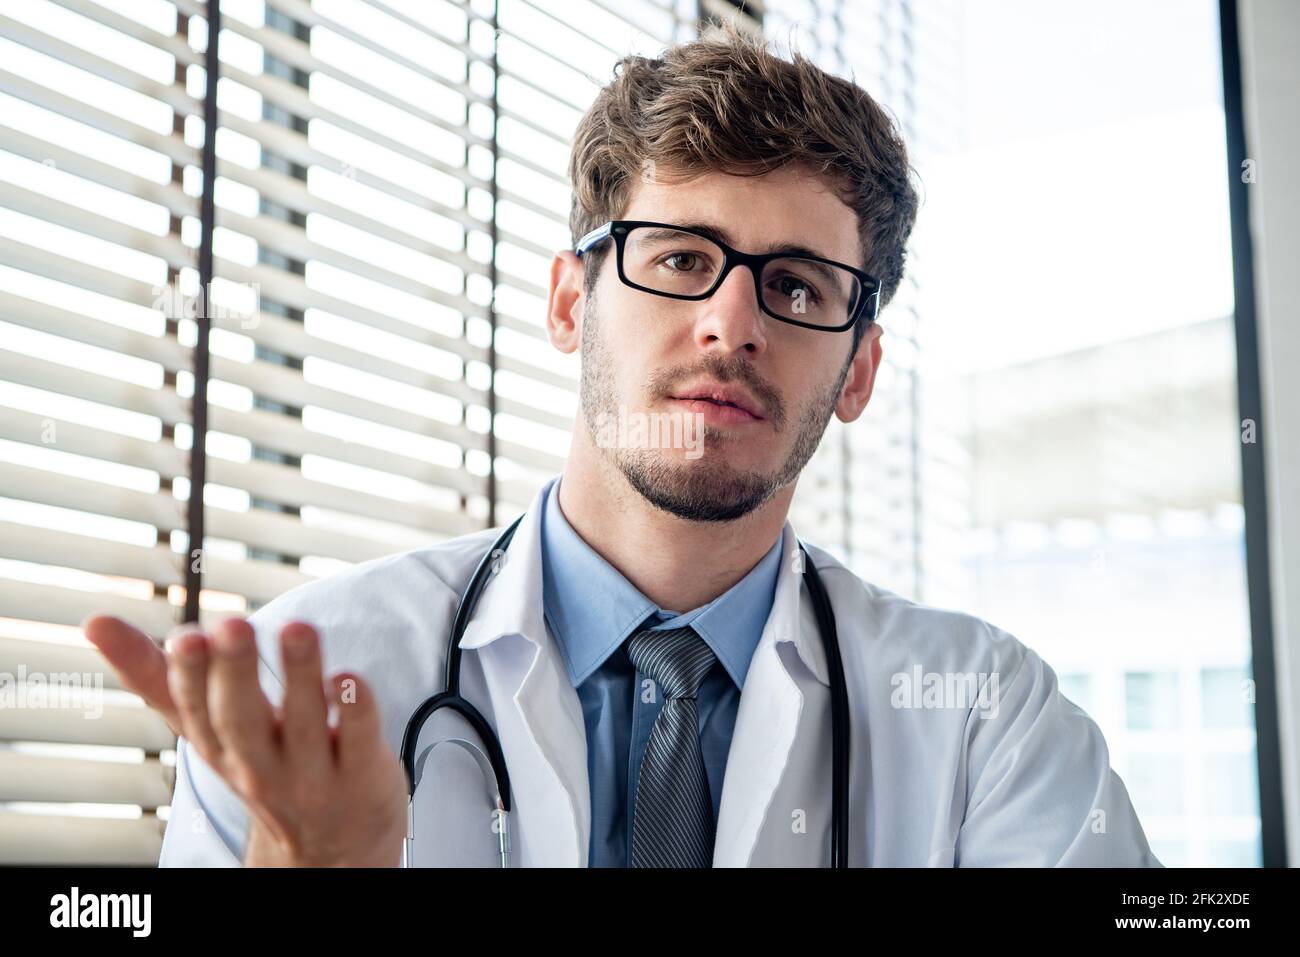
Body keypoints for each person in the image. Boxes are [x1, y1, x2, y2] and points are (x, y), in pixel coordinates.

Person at [84, 26, 1161, 868]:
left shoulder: (984, 721)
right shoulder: (309, 683)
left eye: (794, 286)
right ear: (569, 302)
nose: (734, 325)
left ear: (860, 371)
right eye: (683, 258)